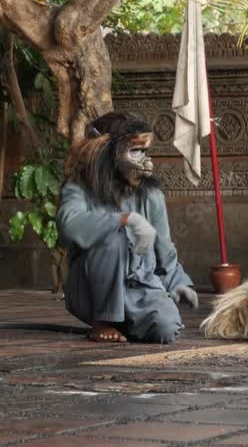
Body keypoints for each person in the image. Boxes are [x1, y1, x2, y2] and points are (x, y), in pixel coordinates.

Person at [57, 112, 198, 343]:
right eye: (135, 151)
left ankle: (127, 321)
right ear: (108, 154)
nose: (144, 160)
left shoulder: (151, 195)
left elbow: (165, 250)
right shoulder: (79, 188)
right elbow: (68, 226)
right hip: (92, 289)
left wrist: (179, 284)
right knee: (115, 237)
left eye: (145, 151)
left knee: (166, 329)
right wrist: (123, 219)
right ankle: (104, 321)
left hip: (140, 288)